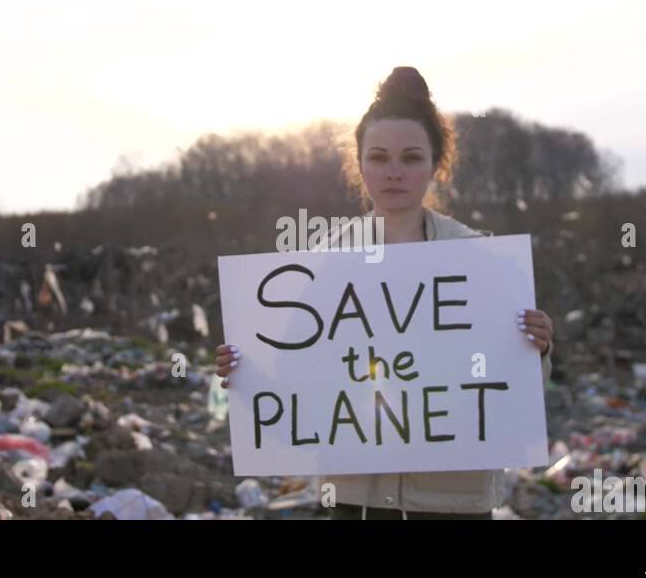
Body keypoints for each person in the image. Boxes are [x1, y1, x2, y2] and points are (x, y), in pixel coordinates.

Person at [215, 66, 554, 519]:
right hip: (358, 498)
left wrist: (539, 346)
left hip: (455, 499)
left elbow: (513, 390)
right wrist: (244, 374)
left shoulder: (479, 259)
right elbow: (294, 382)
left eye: (411, 158)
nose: (394, 172)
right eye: (379, 157)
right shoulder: (323, 263)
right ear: (360, 164)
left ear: (436, 164)